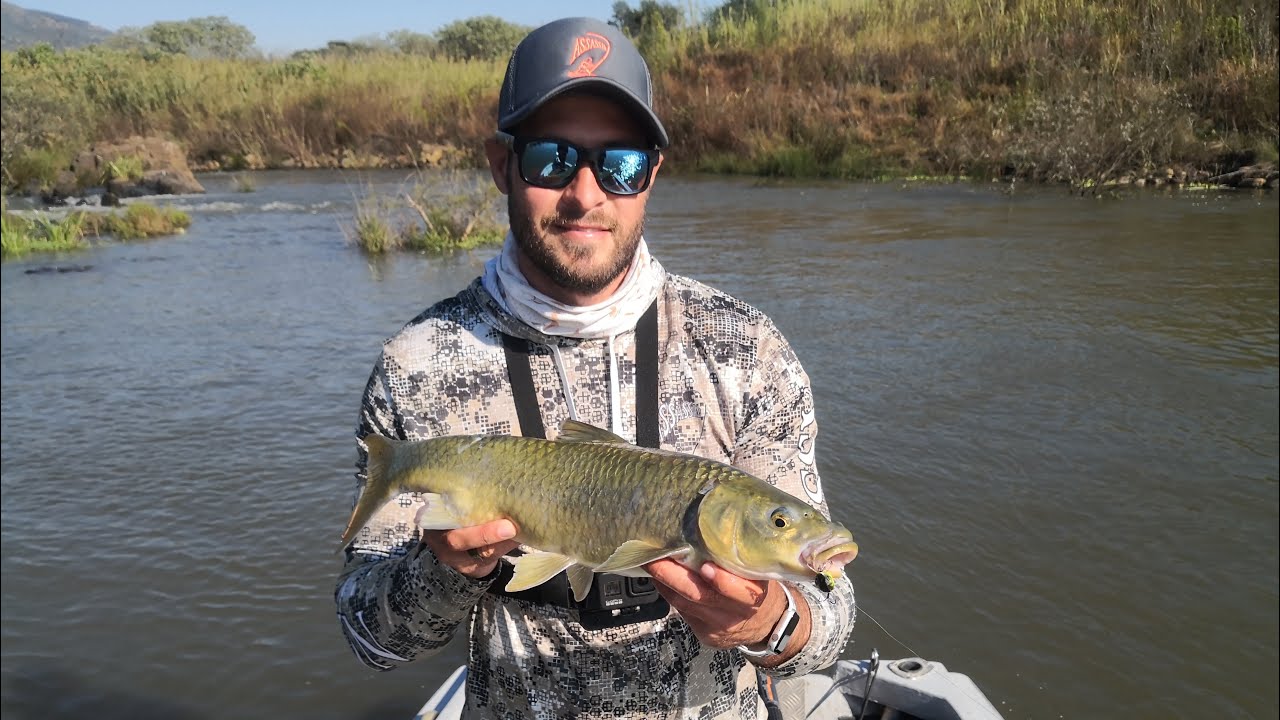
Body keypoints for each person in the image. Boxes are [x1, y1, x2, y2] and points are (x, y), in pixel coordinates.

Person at [334, 16, 856, 719]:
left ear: (652, 175)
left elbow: (830, 610)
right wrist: (444, 572)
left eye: (621, 164)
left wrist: (770, 623)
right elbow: (370, 638)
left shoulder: (744, 350)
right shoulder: (417, 368)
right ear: (501, 165)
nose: (586, 195)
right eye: (552, 158)